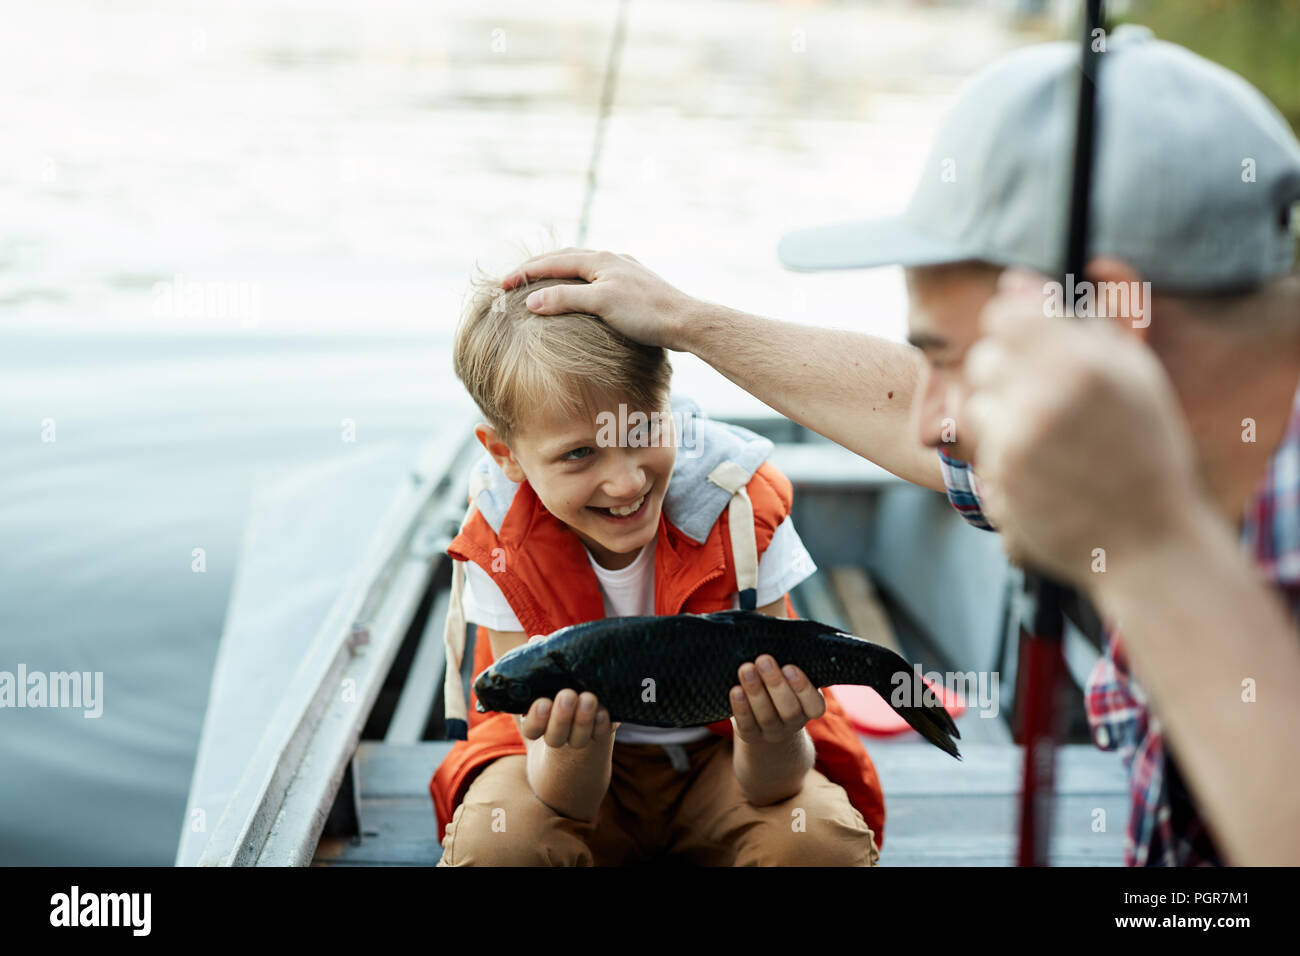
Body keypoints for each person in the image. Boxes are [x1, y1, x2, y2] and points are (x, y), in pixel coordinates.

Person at [500, 27, 1300, 865]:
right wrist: (687, 323)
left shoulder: (1160, 511)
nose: (929, 427)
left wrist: (1149, 549)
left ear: (1105, 315)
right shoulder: (1171, 450)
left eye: (955, 360)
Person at [429, 271, 884, 866]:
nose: (626, 482)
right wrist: (574, 749)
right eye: (579, 453)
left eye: (642, 431)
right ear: (505, 456)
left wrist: (769, 732)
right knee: (501, 845)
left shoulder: (742, 509)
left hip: (722, 764)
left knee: (814, 842)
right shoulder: (498, 543)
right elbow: (560, 795)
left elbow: (773, 786)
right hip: (567, 781)